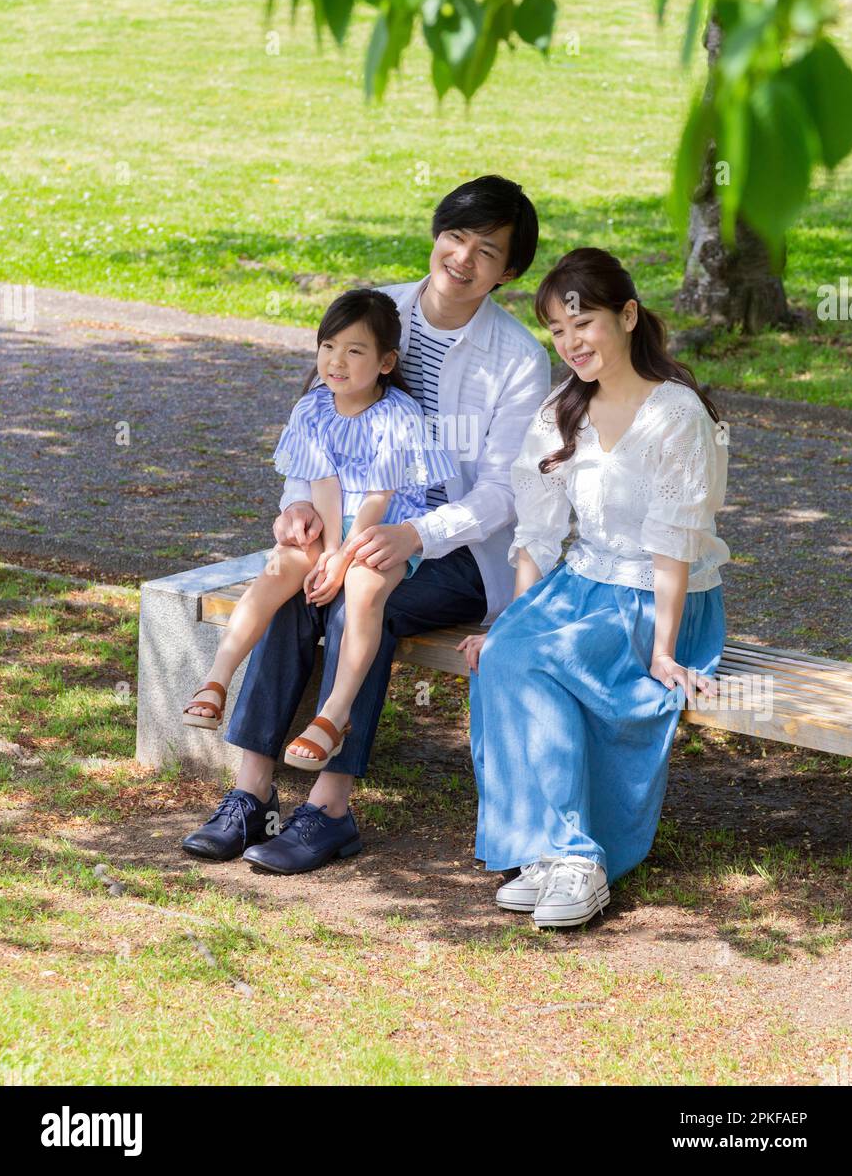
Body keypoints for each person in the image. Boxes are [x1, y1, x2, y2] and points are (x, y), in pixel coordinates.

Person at [181, 175, 552, 871]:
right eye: (455, 236)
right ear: (437, 234)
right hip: (347, 515)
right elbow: (322, 418)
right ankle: (250, 793)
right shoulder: (378, 312)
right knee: (297, 587)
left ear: (510, 272)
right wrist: (298, 506)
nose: (463, 258)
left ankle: (329, 806)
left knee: (363, 598)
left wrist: (414, 535)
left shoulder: (518, 361)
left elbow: (506, 493)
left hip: (458, 549)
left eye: (487, 251)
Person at [457, 247, 730, 929]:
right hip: (582, 585)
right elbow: (539, 535)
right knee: (505, 653)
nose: (572, 342)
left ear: (628, 316)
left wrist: (665, 653)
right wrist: (512, 621)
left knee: (543, 660)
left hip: (658, 598)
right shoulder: (562, 411)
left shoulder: (677, 415)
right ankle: (544, 850)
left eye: (585, 322)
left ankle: (578, 859)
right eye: (557, 330)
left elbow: (675, 545)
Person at [181, 288, 455, 789]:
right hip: (332, 523)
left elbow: (378, 498)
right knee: (277, 572)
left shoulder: (398, 414)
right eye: (328, 346)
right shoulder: (313, 409)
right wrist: (327, 551)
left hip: (383, 527)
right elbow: (323, 484)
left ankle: (335, 712)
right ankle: (216, 681)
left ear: (386, 361)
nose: (337, 361)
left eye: (355, 351)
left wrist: (345, 559)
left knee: (366, 592)